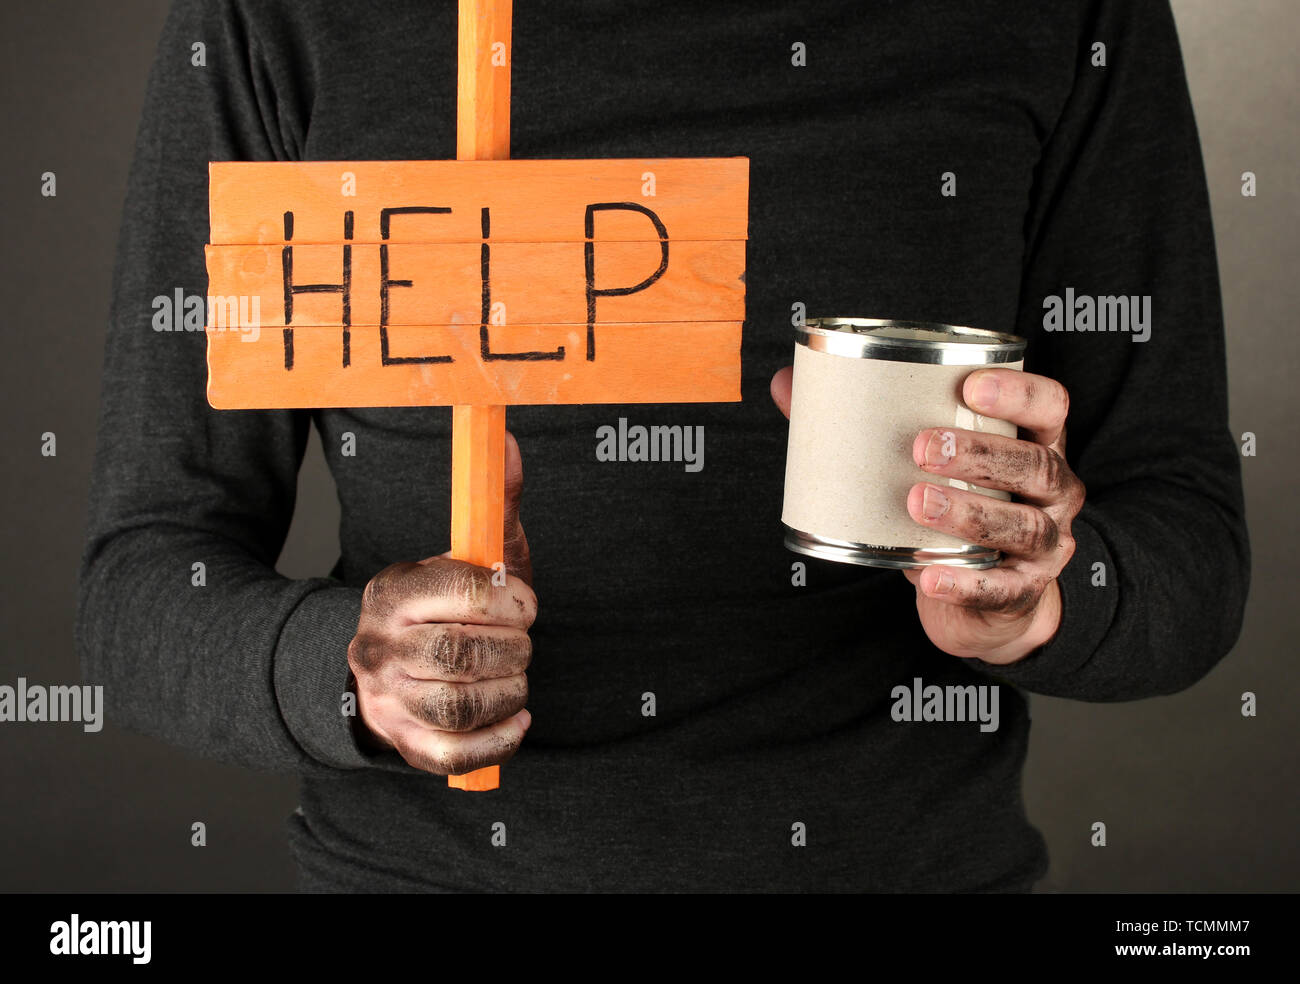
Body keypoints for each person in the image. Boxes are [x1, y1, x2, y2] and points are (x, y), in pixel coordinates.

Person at [77, 0, 1249, 892]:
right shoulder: (282, 17)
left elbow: (1184, 543)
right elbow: (143, 576)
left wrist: (1042, 598)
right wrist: (351, 671)